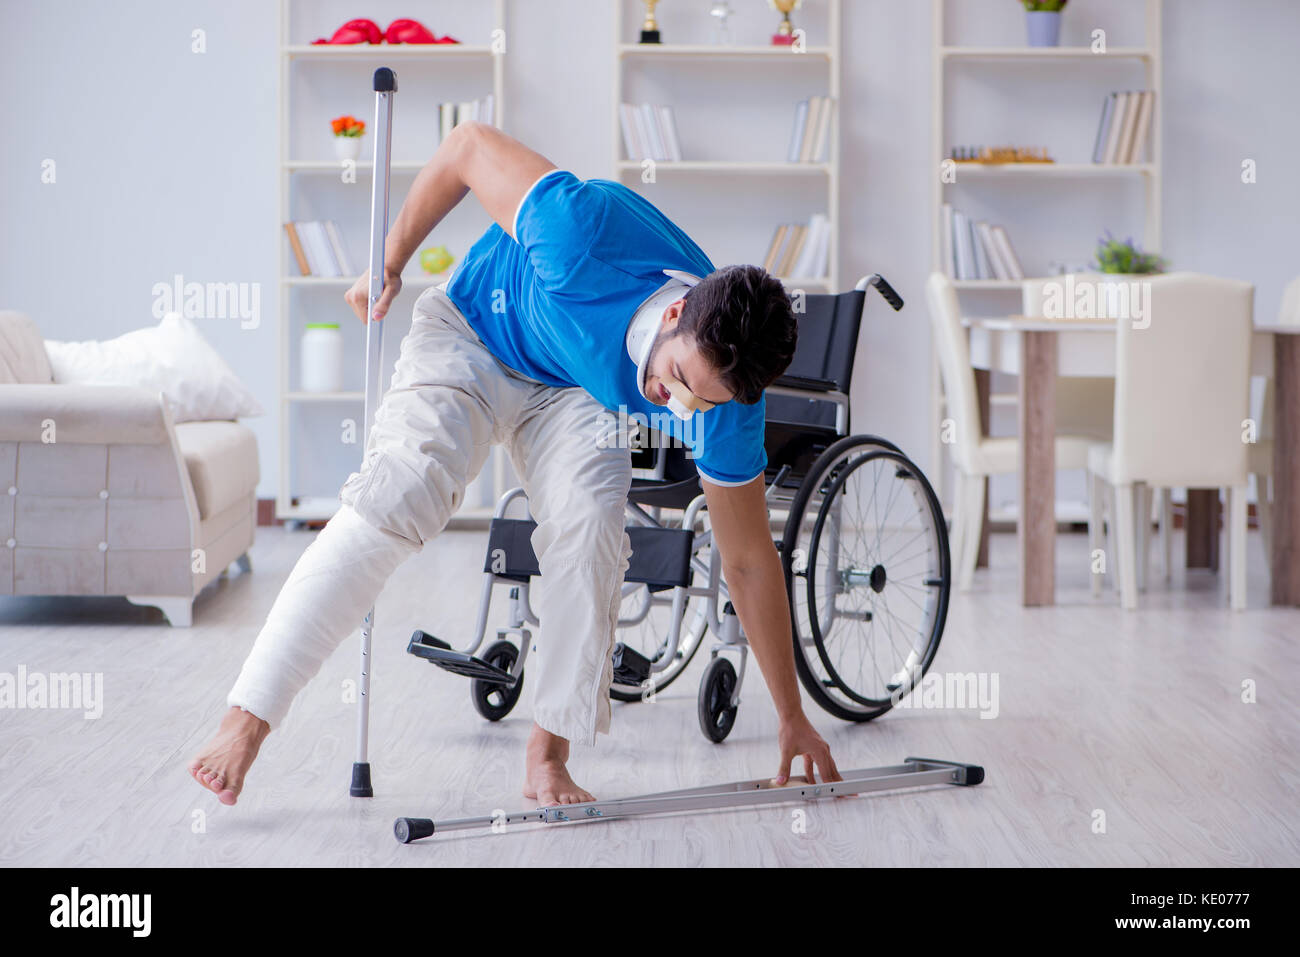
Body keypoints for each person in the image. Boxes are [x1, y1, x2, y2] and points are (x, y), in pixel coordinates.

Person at [188, 121, 841, 807]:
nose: (674, 403)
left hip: (577, 393)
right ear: (676, 310)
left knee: (591, 534)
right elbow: (466, 146)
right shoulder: (579, 235)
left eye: (695, 403)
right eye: (677, 376)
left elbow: (745, 559)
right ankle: (246, 719)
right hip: (474, 332)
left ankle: (547, 755)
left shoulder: (725, 404)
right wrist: (390, 257)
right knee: (401, 493)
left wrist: (792, 716)